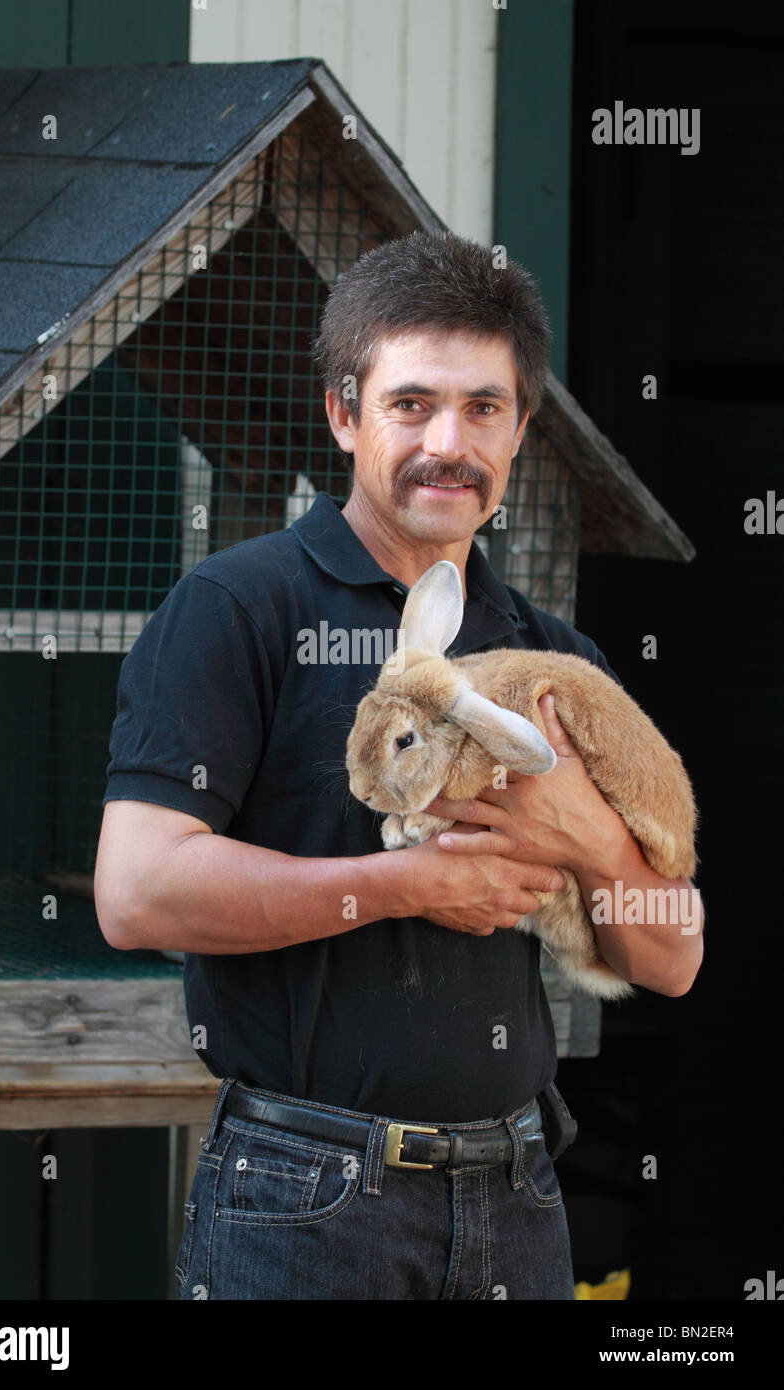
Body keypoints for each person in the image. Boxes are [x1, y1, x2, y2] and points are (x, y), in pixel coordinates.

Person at [94, 229, 703, 1301]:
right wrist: (398, 886)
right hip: (305, 1192)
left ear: (520, 427)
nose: (446, 443)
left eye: (481, 407)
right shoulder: (241, 609)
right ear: (343, 413)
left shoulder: (556, 661)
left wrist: (587, 836)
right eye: (410, 403)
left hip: (516, 1193)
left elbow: (670, 958)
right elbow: (137, 891)